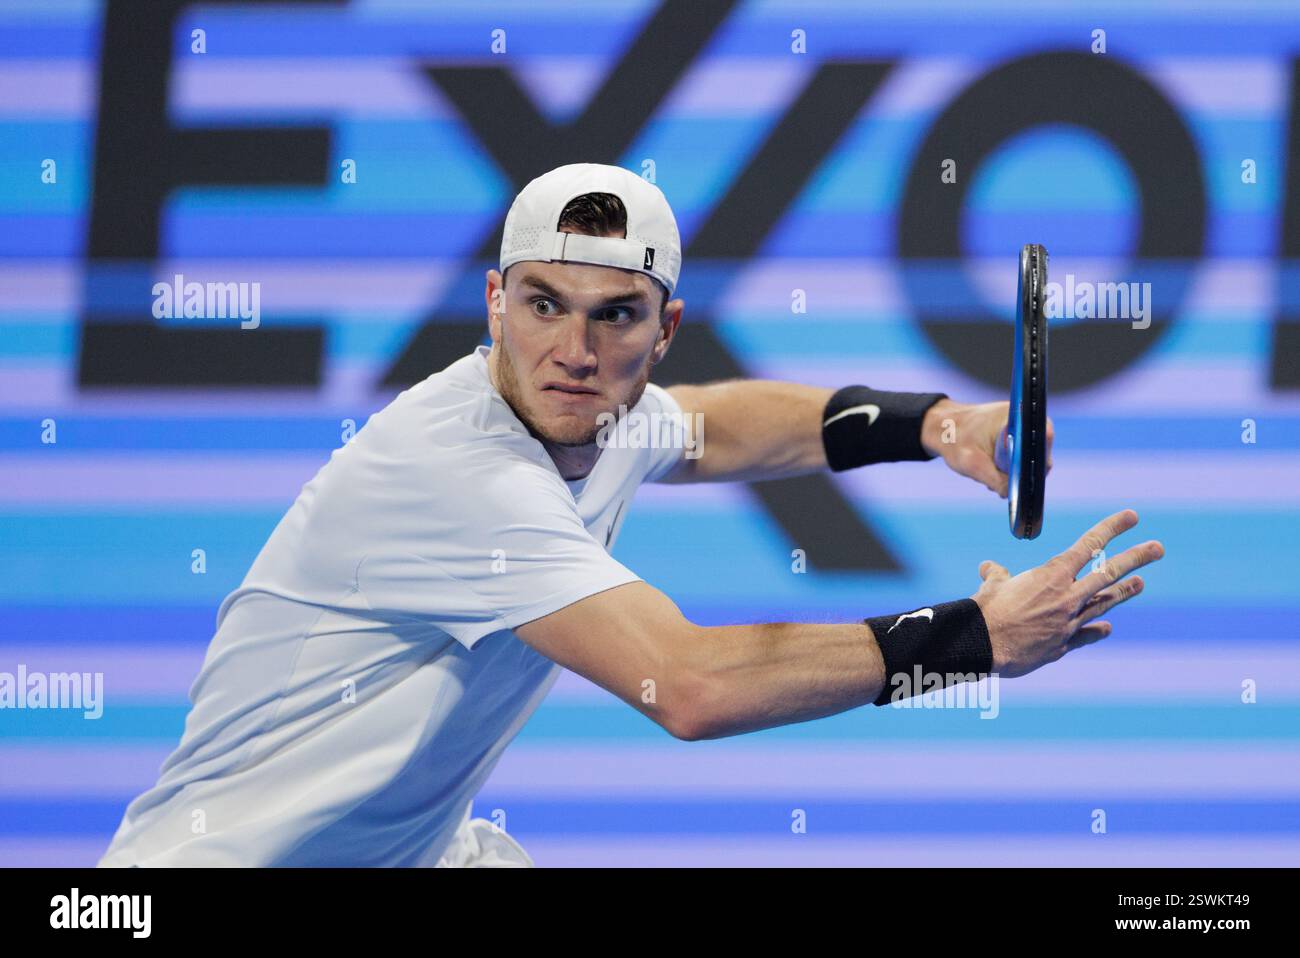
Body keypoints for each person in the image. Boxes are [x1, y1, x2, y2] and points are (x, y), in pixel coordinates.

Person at [97, 163, 1164, 867]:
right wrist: (977, 639)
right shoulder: (459, 473)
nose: (574, 347)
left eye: (615, 317)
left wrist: (933, 424)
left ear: (665, 329)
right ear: (492, 302)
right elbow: (689, 686)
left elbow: (712, 425)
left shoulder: (594, 412)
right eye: (542, 303)